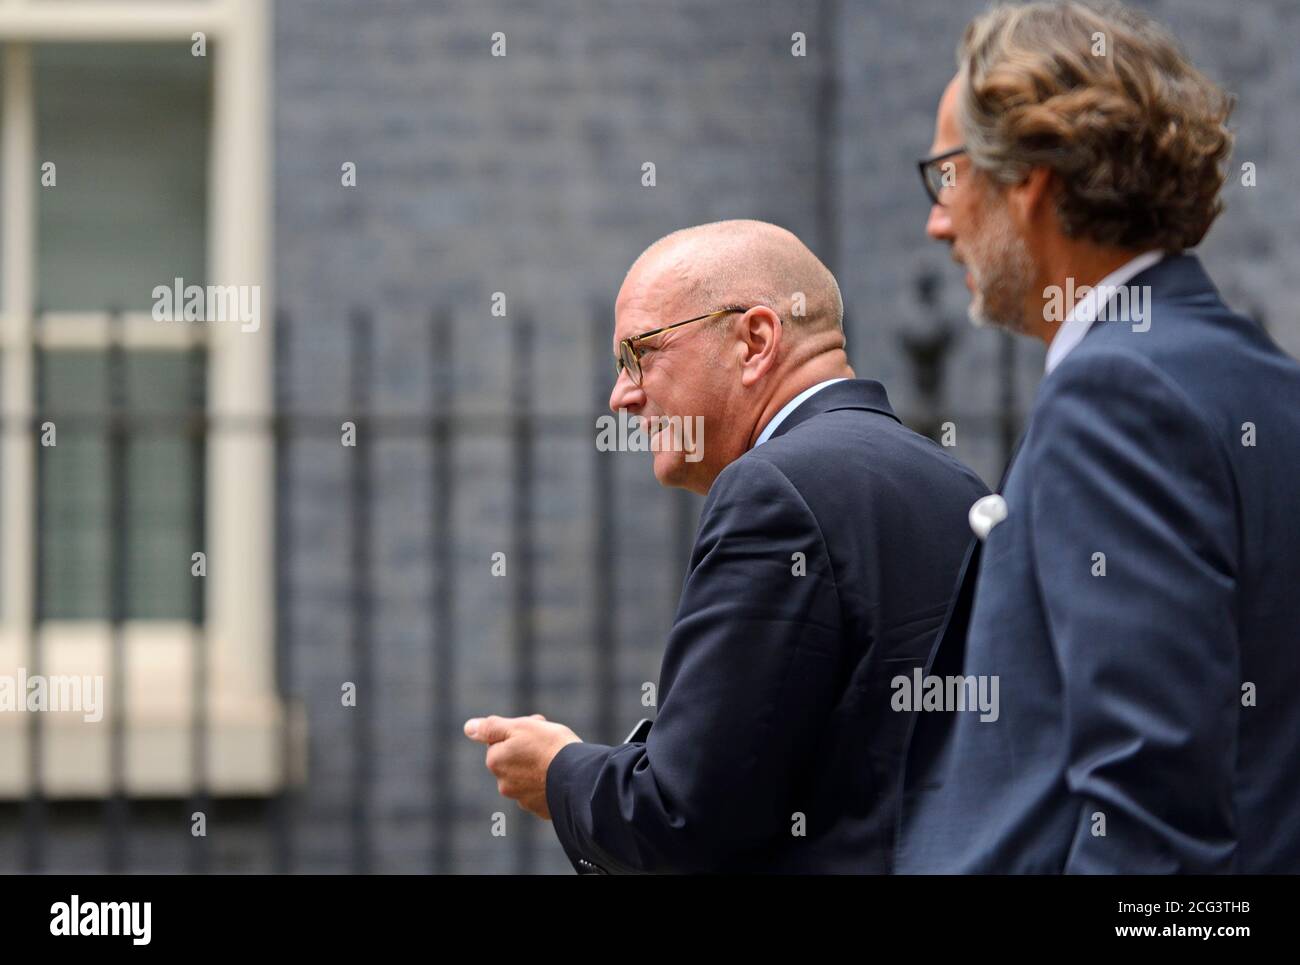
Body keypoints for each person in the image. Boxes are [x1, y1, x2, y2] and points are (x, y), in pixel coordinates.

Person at [898, 0, 1300, 873]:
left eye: (949, 177)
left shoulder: (1115, 392)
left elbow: (1149, 813)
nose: (940, 222)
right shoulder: (1264, 381)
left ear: (1029, 179)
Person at [466, 219, 988, 872]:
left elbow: (685, 819)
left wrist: (560, 772)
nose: (621, 396)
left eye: (641, 353)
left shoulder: (771, 488)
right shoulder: (954, 480)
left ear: (755, 340)